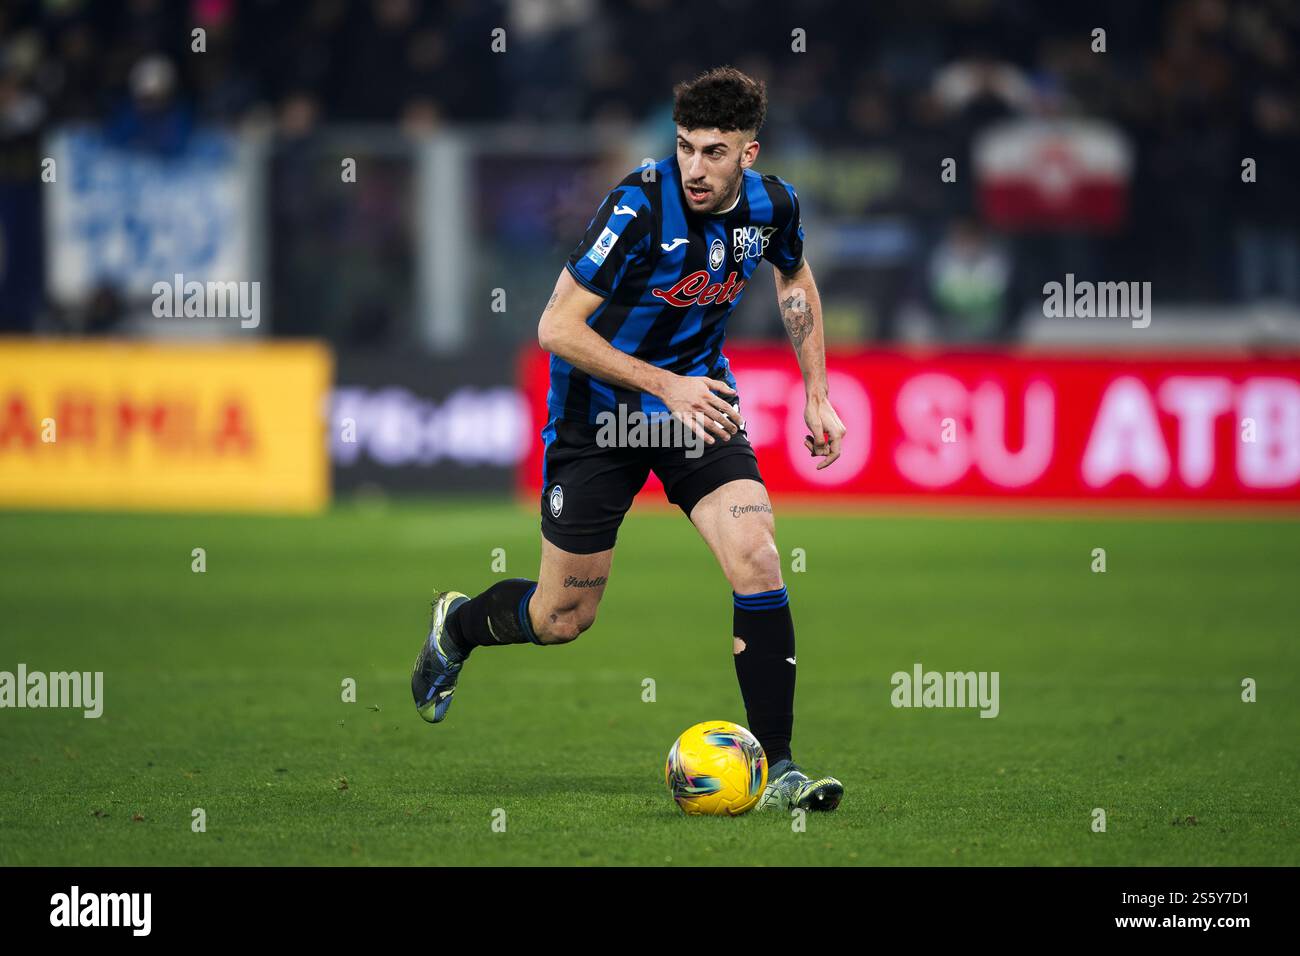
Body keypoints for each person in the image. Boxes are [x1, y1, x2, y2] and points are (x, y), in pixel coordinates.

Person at [412, 66, 846, 812]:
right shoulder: (639, 206)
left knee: (759, 555)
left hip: (696, 408)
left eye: (714, 151)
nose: (694, 167)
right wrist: (663, 383)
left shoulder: (775, 204)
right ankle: (458, 624)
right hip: (599, 420)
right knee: (562, 618)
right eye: (684, 147)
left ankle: (782, 770)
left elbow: (794, 278)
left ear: (750, 152)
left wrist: (817, 392)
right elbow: (555, 326)